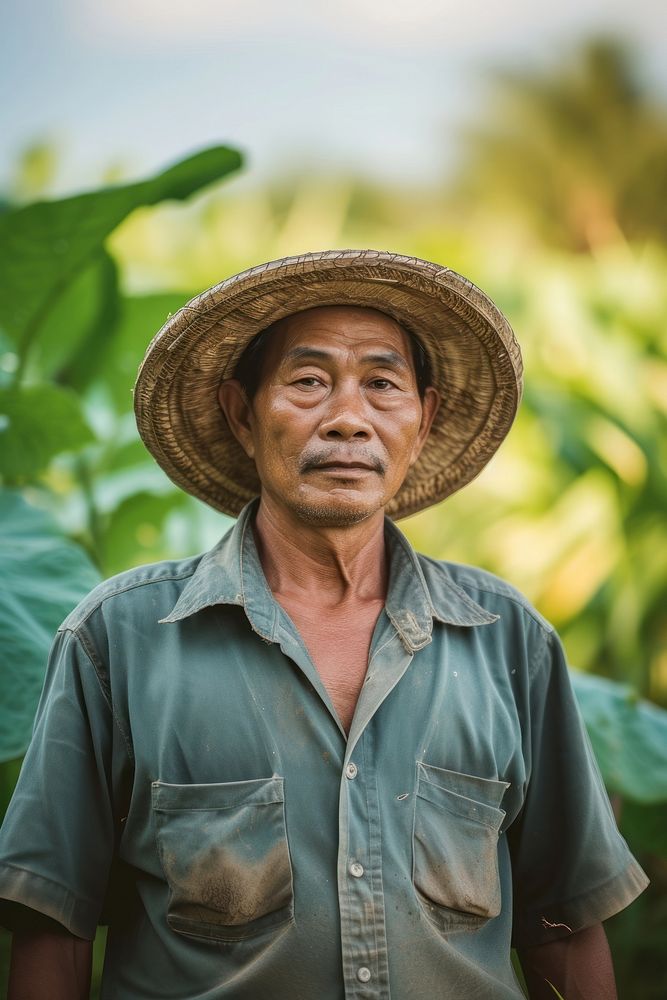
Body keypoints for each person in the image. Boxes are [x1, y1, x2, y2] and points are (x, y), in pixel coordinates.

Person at [0, 251, 648, 999]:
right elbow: (55, 925)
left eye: (381, 384)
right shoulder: (121, 638)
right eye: (307, 382)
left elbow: (562, 923)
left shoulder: (508, 642)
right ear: (242, 414)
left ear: (424, 417)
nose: (347, 418)